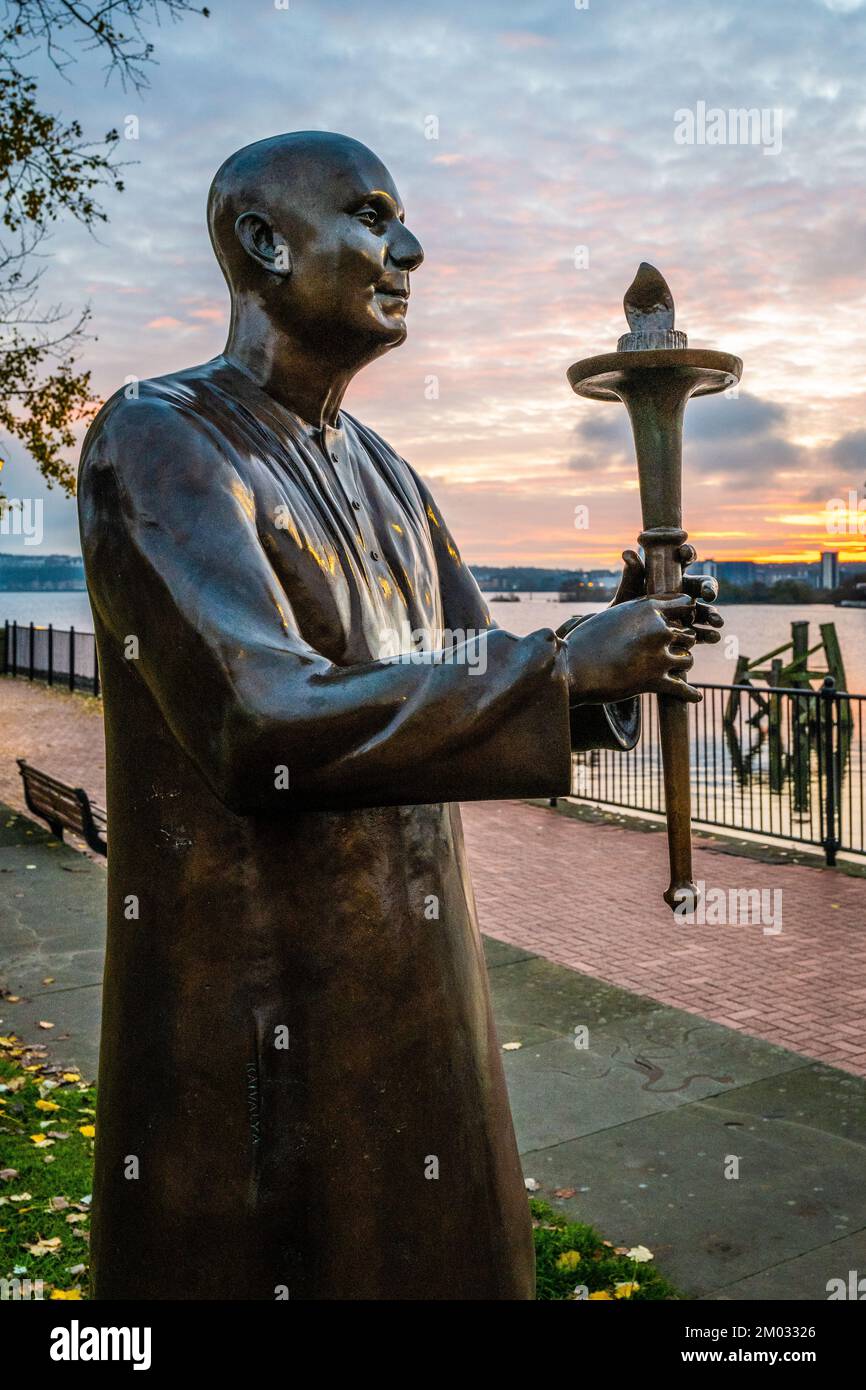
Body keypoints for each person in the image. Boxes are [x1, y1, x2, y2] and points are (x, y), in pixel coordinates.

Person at [78, 131, 721, 1300]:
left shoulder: (385, 468)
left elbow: (471, 662)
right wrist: (561, 670)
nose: (409, 248)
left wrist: (615, 647)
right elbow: (258, 722)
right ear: (263, 243)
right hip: (256, 1009)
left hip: (419, 991)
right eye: (373, 217)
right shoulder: (158, 434)